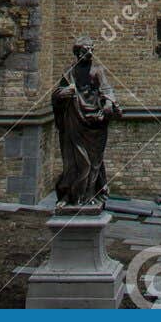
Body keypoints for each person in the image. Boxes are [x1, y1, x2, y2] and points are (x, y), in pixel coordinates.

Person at [52, 35, 122, 206]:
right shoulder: (70, 73)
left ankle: (89, 195)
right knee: (74, 161)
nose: (89, 53)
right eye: (85, 50)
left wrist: (107, 103)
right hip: (75, 121)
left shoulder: (97, 71)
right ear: (77, 52)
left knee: (93, 162)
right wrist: (63, 94)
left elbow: (107, 90)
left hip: (95, 124)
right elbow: (56, 94)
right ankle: (70, 196)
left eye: (91, 49)